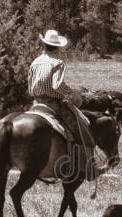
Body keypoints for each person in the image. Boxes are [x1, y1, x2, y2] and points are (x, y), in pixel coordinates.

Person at [28, 29, 109, 180]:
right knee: (81, 124)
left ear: (44, 45)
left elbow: (29, 86)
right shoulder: (57, 62)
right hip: (53, 105)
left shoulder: (35, 62)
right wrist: (73, 94)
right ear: (57, 47)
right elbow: (57, 86)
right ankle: (87, 168)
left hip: (36, 103)